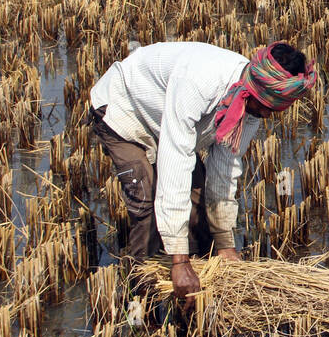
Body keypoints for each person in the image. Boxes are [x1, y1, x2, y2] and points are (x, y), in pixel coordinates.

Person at [88, 41, 316, 305]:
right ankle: (142, 303)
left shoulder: (254, 104)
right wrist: (179, 260)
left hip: (164, 122)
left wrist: (225, 244)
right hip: (123, 112)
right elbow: (175, 158)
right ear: (256, 87)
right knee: (148, 203)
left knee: (197, 205)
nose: (267, 113)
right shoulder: (200, 80)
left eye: (275, 109)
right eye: (266, 105)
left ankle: (193, 297)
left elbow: (225, 169)